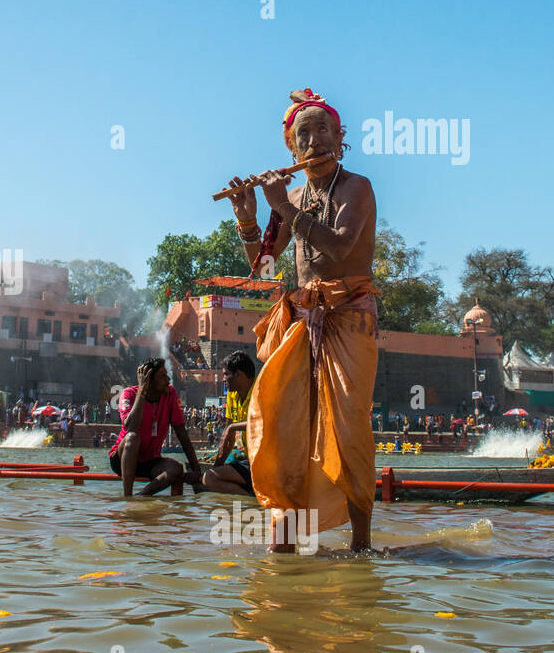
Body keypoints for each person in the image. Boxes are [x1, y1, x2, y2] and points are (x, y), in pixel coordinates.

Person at [226, 88, 379, 553]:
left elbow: (338, 247)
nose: (313, 140)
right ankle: (285, 542)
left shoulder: (357, 187)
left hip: (349, 317)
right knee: (283, 425)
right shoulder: (290, 194)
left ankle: (361, 546)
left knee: (348, 428)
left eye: (322, 130)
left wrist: (285, 208)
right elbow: (265, 268)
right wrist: (249, 220)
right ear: (291, 148)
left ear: (340, 137)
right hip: (300, 319)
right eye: (303, 133)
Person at [109, 357, 204, 496]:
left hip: (150, 461)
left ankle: (141, 496)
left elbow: (181, 433)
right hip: (122, 458)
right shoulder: (129, 394)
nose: (168, 379)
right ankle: (127, 498)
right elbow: (131, 427)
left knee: (176, 469)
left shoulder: (170, 394)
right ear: (149, 381)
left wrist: (197, 471)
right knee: (132, 437)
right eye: (162, 376)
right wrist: (142, 391)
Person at [202, 351, 257, 495]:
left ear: (238, 374)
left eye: (226, 375)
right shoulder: (232, 394)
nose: (224, 379)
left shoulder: (261, 391)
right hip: (248, 459)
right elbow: (227, 438)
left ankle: (251, 503)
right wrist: (216, 466)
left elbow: (264, 424)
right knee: (206, 478)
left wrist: (233, 427)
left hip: (265, 460)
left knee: (209, 479)